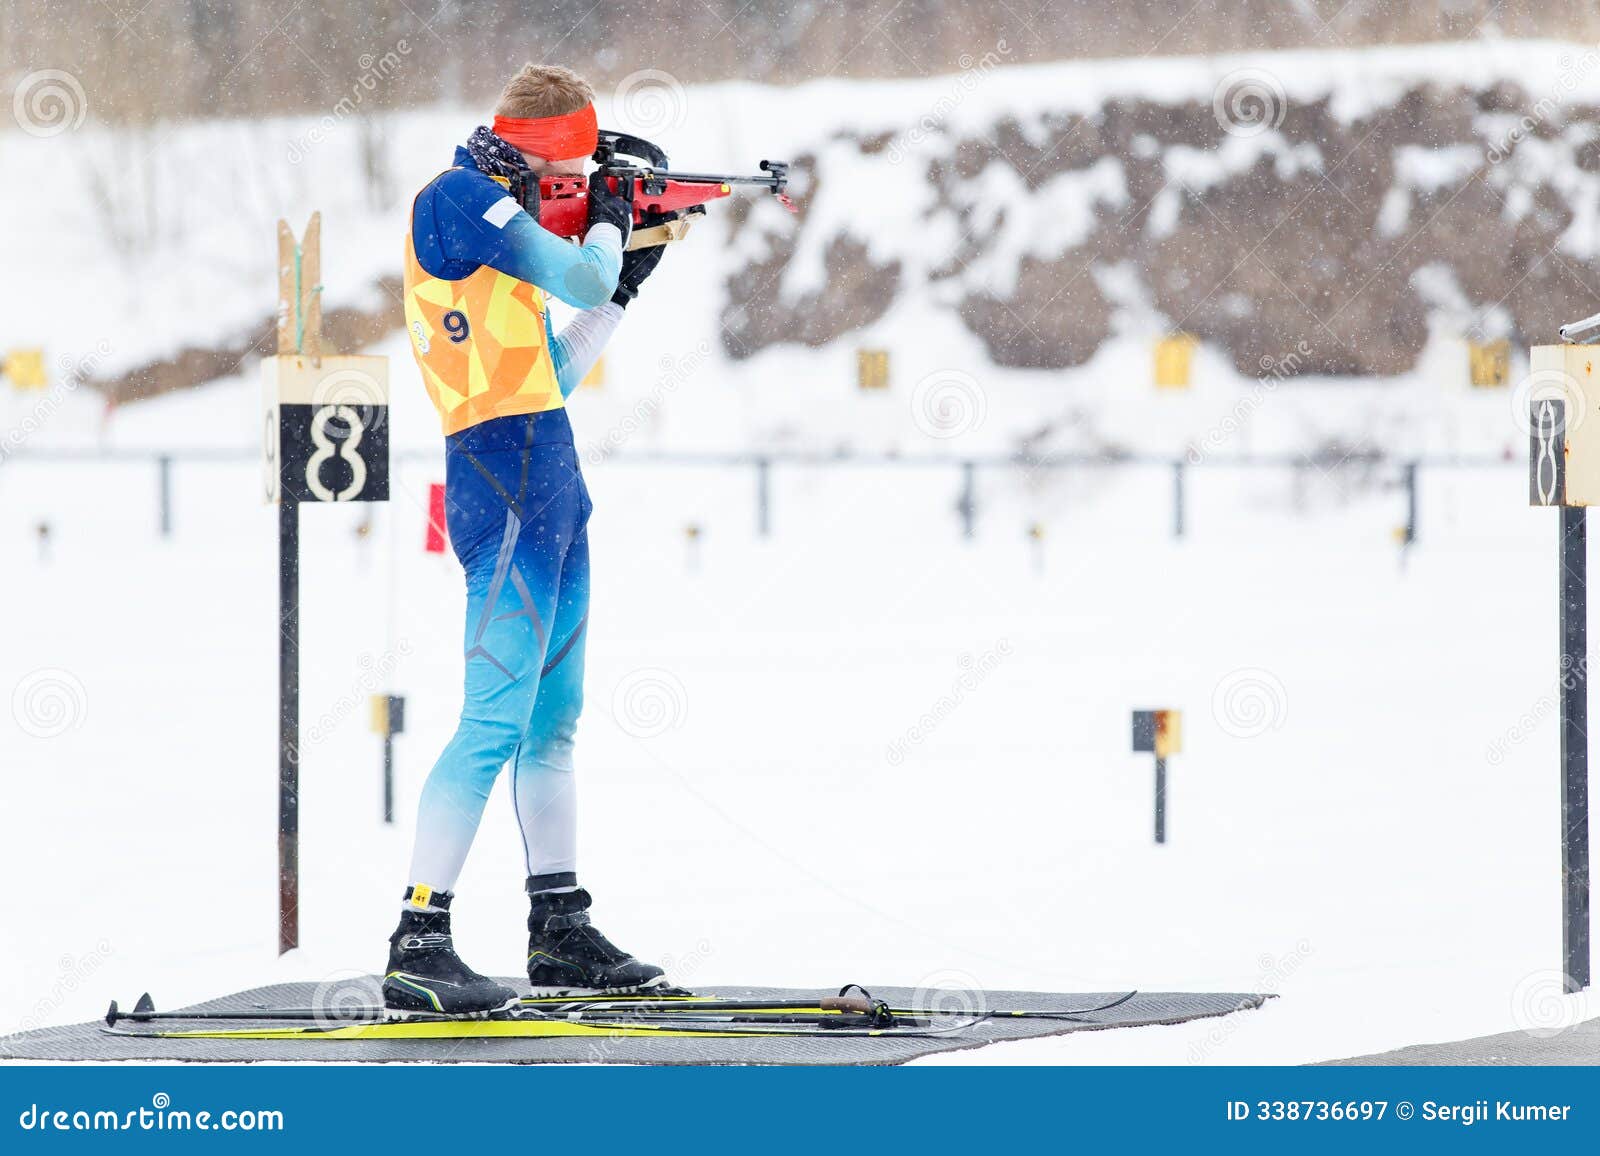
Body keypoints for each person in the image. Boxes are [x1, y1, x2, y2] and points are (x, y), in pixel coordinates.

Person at [385, 64, 669, 1016]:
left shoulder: (503, 226)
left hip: (552, 482)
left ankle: (560, 927)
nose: (584, 183)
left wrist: (623, 286)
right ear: (550, 152)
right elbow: (582, 262)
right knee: (492, 723)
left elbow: (551, 369)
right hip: (502, 483)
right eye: (579, 167)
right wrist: (611, 226)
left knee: (554, 725)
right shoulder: (457, 199)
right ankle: (418, 939)